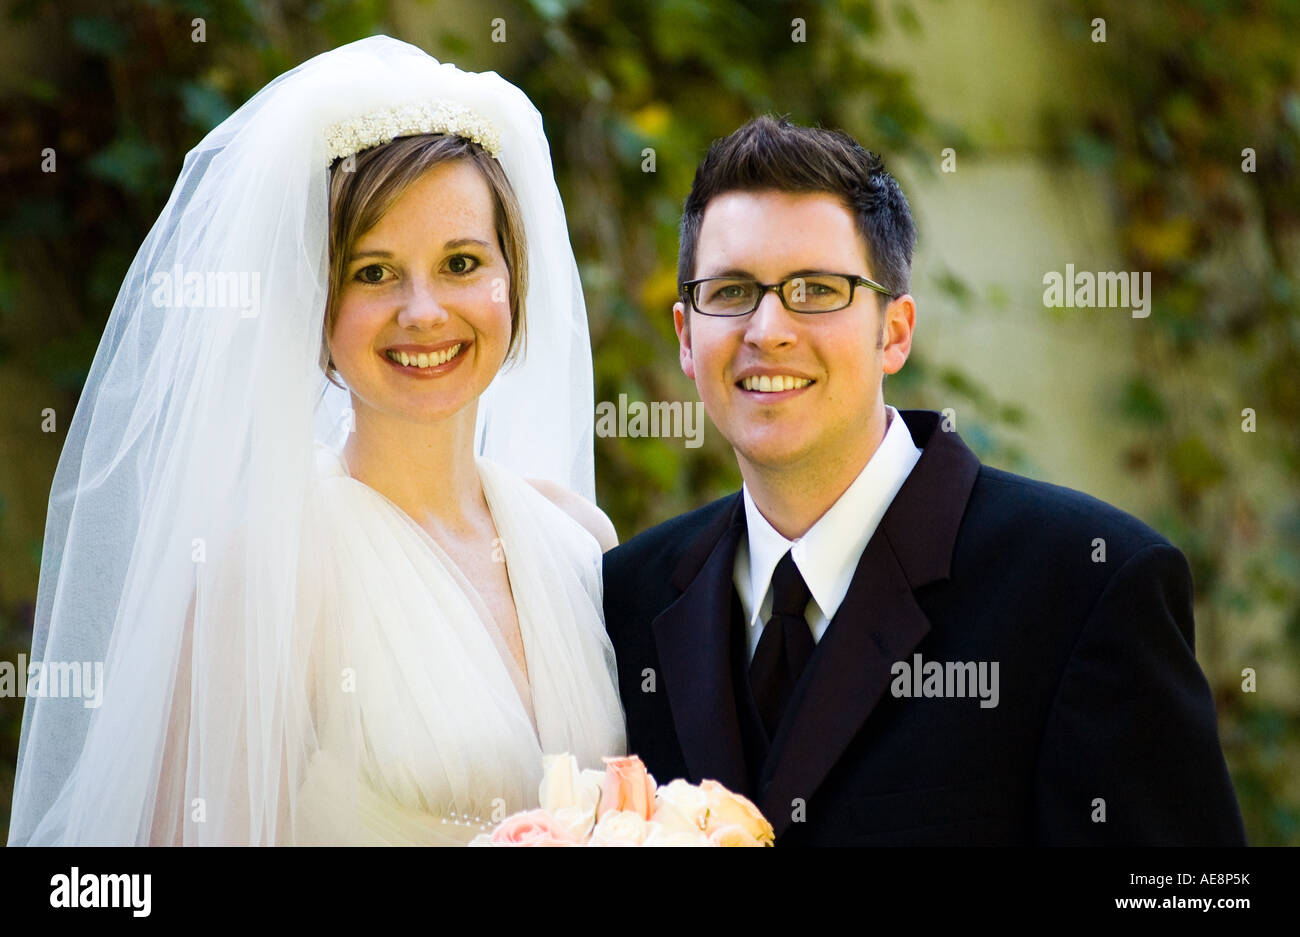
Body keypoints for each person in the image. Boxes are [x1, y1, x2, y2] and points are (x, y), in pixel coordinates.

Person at [8, 36, 625, 846]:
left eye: (462, 262)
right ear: (318, 308)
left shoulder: (580, 541)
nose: (424, 311)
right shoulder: (265, 575)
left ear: (513, 277)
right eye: (372, 272)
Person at [602, 116, 1247, 845]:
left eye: (817, 288)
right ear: (687, 337)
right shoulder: (627, 600)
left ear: (896, 331)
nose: (768, 328)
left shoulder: (1087, 586)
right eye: (733, 291)